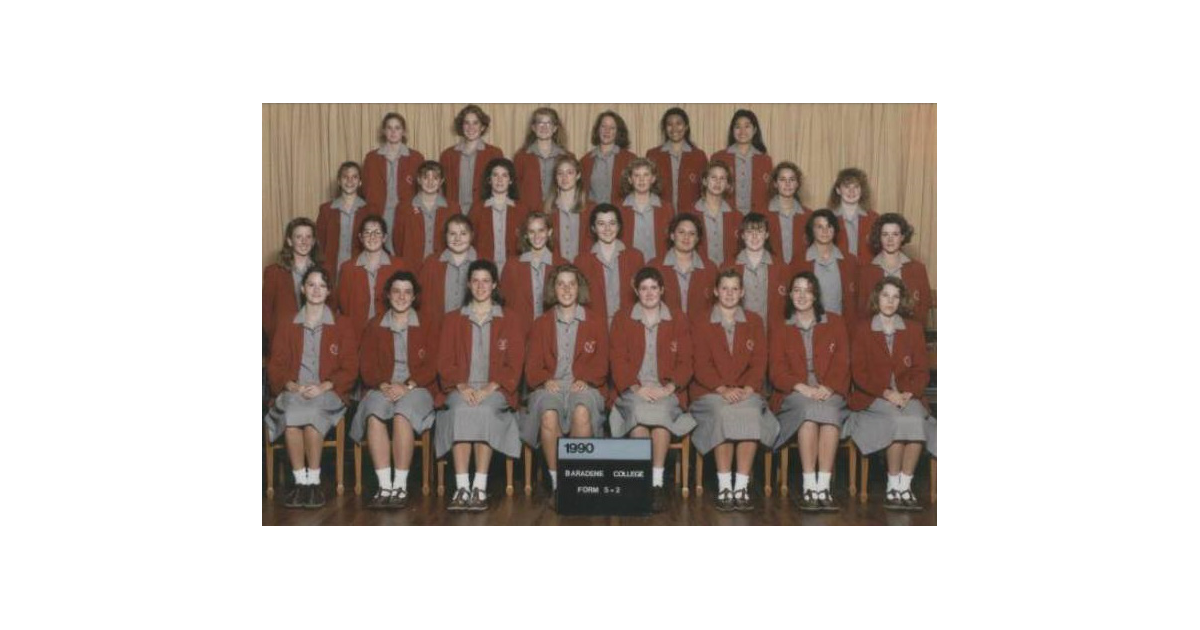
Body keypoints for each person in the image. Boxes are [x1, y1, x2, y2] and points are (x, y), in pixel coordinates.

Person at [264, 267, 359, 508]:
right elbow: (276, 364)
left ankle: (314, 482)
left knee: (314, 412)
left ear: (328, 292)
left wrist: (325, 385)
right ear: (303, 288)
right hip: (294, 391)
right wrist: (290, 384)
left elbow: (350, 367)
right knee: (293, 413)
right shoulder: (287, 323)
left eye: (322, 286)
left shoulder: (342, 324)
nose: (316, 290)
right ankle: (300, 482)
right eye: (311, 285)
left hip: (326, 392)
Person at [436, 261, 526, 511]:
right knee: (461, 410)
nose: (480, 286)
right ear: (468, 284)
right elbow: (444, 361)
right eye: (475, 280)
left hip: (495, 389)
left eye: (486, 281)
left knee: (484, 411)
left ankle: (480, 486)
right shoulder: (453, 319)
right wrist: (461, 386)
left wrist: (488, 389)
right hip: (460, 387)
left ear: (495, 284)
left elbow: (515, 363)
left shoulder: (510, 319)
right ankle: (462, 486)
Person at [689, 270, 779, 511]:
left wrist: (748, 387)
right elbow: (699, 363)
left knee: (749, 412)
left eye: (734, 289)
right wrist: (722, 389)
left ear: (742, 292)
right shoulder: (701, 321)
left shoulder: (754, 321)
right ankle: (724, 485)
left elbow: (759, 361)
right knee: (724, 412)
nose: (729, 293)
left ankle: (741, 485)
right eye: (724, 288)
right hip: (710, 392)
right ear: (716, 291)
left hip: (745, 391)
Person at [844, 277, 936, 511]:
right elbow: (859, 372)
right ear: (877, 297)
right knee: (897, 418)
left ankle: (905, 486)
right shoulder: (863, 329)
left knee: (915, 418)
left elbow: (922, 370)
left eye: (895, 297)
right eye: (886, 295)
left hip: (908, 395)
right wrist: (886, 393)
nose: (890, 301)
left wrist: (908, 393)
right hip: (874, 396)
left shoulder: (913, 329)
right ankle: (892, 485)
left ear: (901, 301)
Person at [608, 267, 696, 513]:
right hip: (633, 389)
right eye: (644, 288)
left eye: (654, 288)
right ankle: (641, 482)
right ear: (636, 290)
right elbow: (617, 358)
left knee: (660, 417)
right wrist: (635, 387)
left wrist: (669, 388)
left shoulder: (677, 318)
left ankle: (656, 484)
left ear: (662, 290)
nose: (649, 293)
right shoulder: (622, 318)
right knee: (637, 415)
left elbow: (687, 360)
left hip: (665, 390)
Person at [521, 265, 609, 502]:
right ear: (553, 289)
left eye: (572, 284)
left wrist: (587, 379)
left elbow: (602, 363)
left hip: (584, 385)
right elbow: (532, 369)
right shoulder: (541, 323)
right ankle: (558, 482)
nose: (567, 289)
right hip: (551, 386)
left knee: (582, 411)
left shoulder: (596, 321)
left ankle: (578, 480)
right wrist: (544, 380)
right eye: (561, 284)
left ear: (579, 288)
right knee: (549, 414)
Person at [351, 271, 438, 509]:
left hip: (416, 387)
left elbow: (433, 365)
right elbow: (365, 365)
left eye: (407, 292)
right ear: (388, 295)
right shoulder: (375, 324)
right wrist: (382, 385)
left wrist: (408, 385)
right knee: (374, 411)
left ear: (414, 296)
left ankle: (399, 485)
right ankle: (384, 485)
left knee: (403, 414)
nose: (402, 296)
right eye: (396, 291)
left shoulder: (427, 323)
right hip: (383, 386)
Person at [769, 271, 851, 511]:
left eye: (807, 290)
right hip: (795, 392)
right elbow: (776, 369)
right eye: (797, 290)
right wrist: (801, 387)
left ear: (815, 295)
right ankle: (808, 485)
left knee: (828, 413)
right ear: (790, 294)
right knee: (807, 412)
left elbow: (843, 361)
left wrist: (830, 387)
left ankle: (823, 486)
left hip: (828, 390)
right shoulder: (780, 326)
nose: (802, 295)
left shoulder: (834, 322)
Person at [576, 204, 645, 328]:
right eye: (601, 224)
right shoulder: (581, 261)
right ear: (593, 228)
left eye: (612, 223)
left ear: (619, 226)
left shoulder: (635, 257)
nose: (607, 228)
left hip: (629, 325)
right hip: (594, 325)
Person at [857, 212, 933, 326]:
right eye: (885, 234)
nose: (890, 239)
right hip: (876, 335)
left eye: (895, 234)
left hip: (909, 334)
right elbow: (863, 311)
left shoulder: (918, 269)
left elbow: (924, 307)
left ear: (902, 237)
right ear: (879, 237)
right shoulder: (866, 272)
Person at [725, 212, 792, 333]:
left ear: (766, 235)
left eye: (760, 231)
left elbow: (787, 307)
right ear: (743, 235)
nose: (754, 237)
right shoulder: (729, 266)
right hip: (738, 333)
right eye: (750, 232)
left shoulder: (781, 267)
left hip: (771, 333)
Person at [264, 218, 323, 352]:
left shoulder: (324, 271)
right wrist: (275, 337)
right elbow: (265, 312)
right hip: (283, 341)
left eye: (308, 237)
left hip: (315, 340)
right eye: (298, 237)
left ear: (313, 241)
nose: (304, 241)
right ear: (290, 241)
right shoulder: (273, 272)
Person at [336, 214, 403, 336]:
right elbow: (344, 304)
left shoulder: (398, 266)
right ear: (360, 237)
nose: (372, 237)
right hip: (357, 333)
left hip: (390, 332)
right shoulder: (348, 268)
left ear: (384, 237)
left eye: (377, 233)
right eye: (367, 233)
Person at [362, 113, 425, 236]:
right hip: (379, 212)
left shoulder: (416, 158)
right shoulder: (371, 158)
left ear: (404, 131)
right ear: (384, 131)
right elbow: (365, 188)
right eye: (389, 128)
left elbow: (422, 188)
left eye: (397, 128)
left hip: (406, 212)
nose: (393, 132)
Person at [415, 214, 478, 338]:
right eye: (452, 234)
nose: (457, 239)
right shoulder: (431, 263)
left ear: (472, 235)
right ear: (445, 236)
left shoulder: (482, 263)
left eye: (463, 234)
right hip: (438, 330)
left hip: (472, 331)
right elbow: (422, 300)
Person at [793, 209, 859, 326]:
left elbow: (855, 301)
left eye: (829, 226)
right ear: (812, 230)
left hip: (841, 326)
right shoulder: (799, 261)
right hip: (809, 326)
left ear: (835, 230)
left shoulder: (850, 261)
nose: (825, 231)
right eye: (819, 227)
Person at [499, 211, 567, 325]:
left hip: (552, 330)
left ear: (549, 232)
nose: (537, 236)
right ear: (525, 235)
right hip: (520, 329)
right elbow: (505, 304)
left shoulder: (561, 264)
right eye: (531, 232)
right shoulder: (512, 265)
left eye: (541, 230)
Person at [315, 161, 369, 300]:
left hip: (359, 269)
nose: (350, 181)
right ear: (339, 181)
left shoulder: (369, 209)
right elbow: (319, 242)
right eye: (345, 177)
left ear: (360, 182)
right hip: (332, 269)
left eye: (354, 177)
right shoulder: (326, 209)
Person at [396, 160, 460, 272]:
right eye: (426, 177)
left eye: (435, 178)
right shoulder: (404, 207)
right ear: (419, 180)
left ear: (441, 181)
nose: (430, 182)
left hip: (443, 265)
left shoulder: (453, 208)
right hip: (412, 266)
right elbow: (398, 240)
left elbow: (457, 239)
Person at [438, 104, 504, 209]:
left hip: (484, 212)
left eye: (475, 123)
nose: (471, 128)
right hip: (455, 214)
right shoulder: (447, 155)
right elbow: (441, 189)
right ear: (461, 126)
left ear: (482, 127)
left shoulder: (494, 153)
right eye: (466, 123)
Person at [650, 213, 716, 318]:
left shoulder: (710, 268)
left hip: (700, 330)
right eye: (681, 232)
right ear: (672, 235)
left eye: (692, 233)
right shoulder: (654, 266)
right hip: (666, 330)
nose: (686, 237)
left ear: (697, 238)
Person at [468, 157, 527, 274]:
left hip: (515, 269)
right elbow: (470, 240)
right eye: (495, 175)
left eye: (504, 175)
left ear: (510, 180)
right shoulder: (477, 208)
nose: (500, 180)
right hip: (485, 269)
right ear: (489, 180)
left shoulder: (522, 209)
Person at [710, 109, 773, 214]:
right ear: (732, 130)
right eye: (738, 127)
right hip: (725, 216)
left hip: (756, 221)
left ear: (755, 130)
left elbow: (770, 195)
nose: (742, 131)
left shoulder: (765, 160)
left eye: (747, 126)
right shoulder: (719, 157)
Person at [646, 107, 707, 214]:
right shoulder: (653, 155)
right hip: (659, 214)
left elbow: (706, 190)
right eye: (669, 124)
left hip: (691, 217)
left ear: (686, 126)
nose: (674, 128)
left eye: (679, 123)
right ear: (665, 128)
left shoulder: (699, 156)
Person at [514, 107, 574, 211]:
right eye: (540, 123)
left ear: (555, 128)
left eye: (548, 123)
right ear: (533, 127)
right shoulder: (521, 157)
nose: (544, 127)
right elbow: (514, 190)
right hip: (529, 216)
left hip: (559, 213)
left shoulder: (567, 157)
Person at [617, 158, 674, 262]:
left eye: (646, 175)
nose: (641, 179)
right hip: (628, 264)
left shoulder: (667, 208)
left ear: (653, 179)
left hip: (658, 265)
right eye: (637, 175)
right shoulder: (619, 208)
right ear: (630, 179)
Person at [690, 160, 741, 266]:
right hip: (700, 273)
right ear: (704, 181)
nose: (718, 182)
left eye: (722, 178)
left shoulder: (737, 216)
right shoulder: (690, 213)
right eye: (713, 177)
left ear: (727, 184)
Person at [580, 110, 637, 205]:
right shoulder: (585, 161)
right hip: (593, 215)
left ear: (618, 132)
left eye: (612, 128)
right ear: (598, 129)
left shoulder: (630, 159)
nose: (607, 131)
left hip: (621, 215)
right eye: (603, 126)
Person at [543, 155, 592, 262]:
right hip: (554, 269)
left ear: (578, 175)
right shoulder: (545, 209)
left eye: (569, 172)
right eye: (560, 173)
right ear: (556, 177)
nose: (564, 177)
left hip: (584, 268)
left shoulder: (591, 208)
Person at [827, 167, 881, 264]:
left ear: (862, 191)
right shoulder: (827, 218)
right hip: (837, 272)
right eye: (847, 187)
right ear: (838, 190)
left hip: (867, 272)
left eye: (856, 187)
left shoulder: (874, 218)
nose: (851, 191)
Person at [764, 162, 811, 265]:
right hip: (772, 273)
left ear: (797, 184)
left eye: (792, 180)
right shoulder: (762, 214)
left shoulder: (809, 216)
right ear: (775, 184)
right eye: (782, 180)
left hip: (801, 273)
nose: (787, 184)